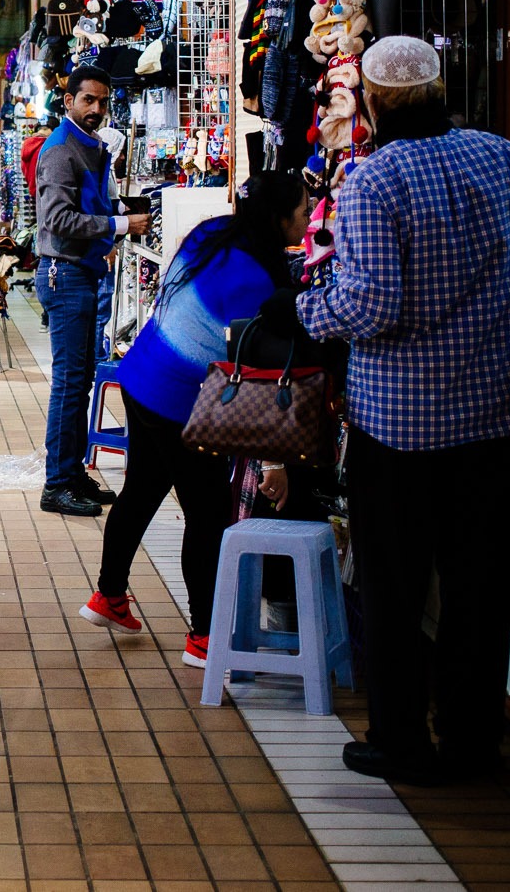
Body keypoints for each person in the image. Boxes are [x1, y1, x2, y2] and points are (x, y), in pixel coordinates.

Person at [291, 37, 510, 786]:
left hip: (402, 426)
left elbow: (373, 303)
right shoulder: (494, 154)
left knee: (394, 585)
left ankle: (399, 740)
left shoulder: (371, 182)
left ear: (377, 102)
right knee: (478, 586)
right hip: (490, 415)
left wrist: (308, 306)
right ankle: (472, 742)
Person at [78, 172, 311, 668]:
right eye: (303, 209)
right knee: (206, 516)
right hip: (182, 404)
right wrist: (275, 461)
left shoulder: (211, 233)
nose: (310, 217)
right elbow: (261, 375)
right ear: (278, 217)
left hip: (141, 377)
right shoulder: (258, 282)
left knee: (141, 490)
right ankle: (204, 638)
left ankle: (108, 596)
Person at [35, 67, 150, 517]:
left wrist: (121, 208)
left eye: (103, 102)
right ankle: (56, 484)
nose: (97, 110)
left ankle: (72, 471)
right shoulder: (62, 151)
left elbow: (87, 206)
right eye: (88, 101)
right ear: (69, 101)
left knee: (79, 382)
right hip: (64, 276)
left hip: (82, 273)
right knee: (68, 385)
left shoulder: (91, 148)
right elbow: (58, 220)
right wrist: (121, 224)